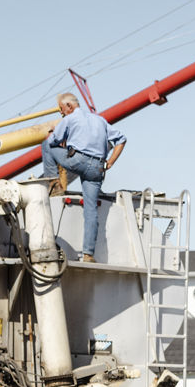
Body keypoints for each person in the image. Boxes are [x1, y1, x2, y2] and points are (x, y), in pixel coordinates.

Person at [41, 93, 126, 262]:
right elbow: (121, 139)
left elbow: (54, 141)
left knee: (46, 144)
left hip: (77, 161)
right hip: (97, 168)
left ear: (69, 107)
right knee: (91, 210)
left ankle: (54, 184)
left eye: (62, 109)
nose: (61, 113)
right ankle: (88, 254)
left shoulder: (70, 119)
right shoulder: (100, 120)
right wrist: (110, 163)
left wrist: (55, 135)